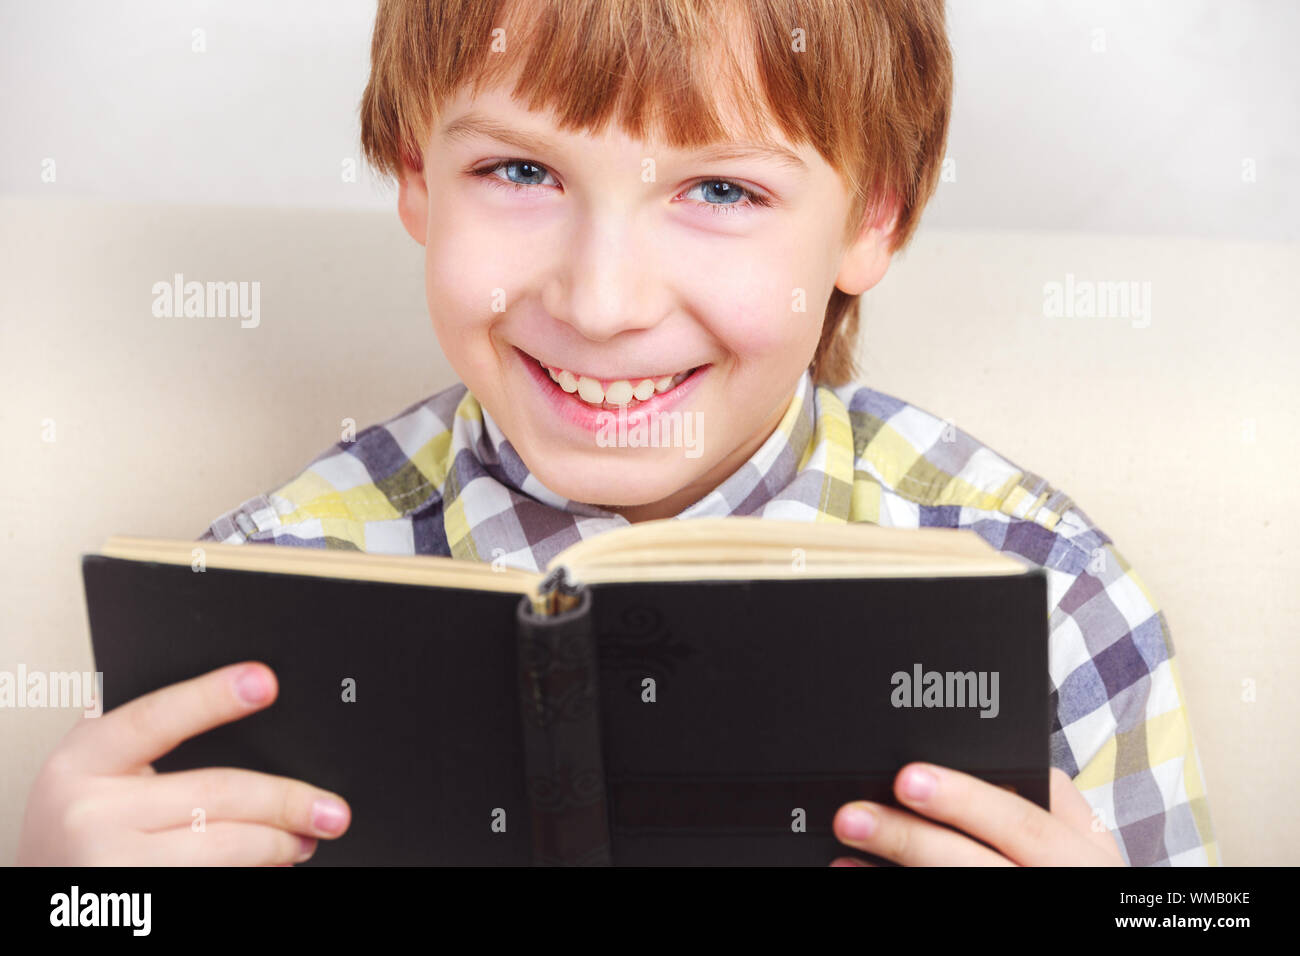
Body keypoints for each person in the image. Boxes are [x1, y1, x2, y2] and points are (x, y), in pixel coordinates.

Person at [18, 0, 1216, 866]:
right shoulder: (256, 586)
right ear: (413, 177)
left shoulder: (1047, 586)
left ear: (874, 216)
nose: (600, 301)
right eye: (520, 170)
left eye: (722, 191)